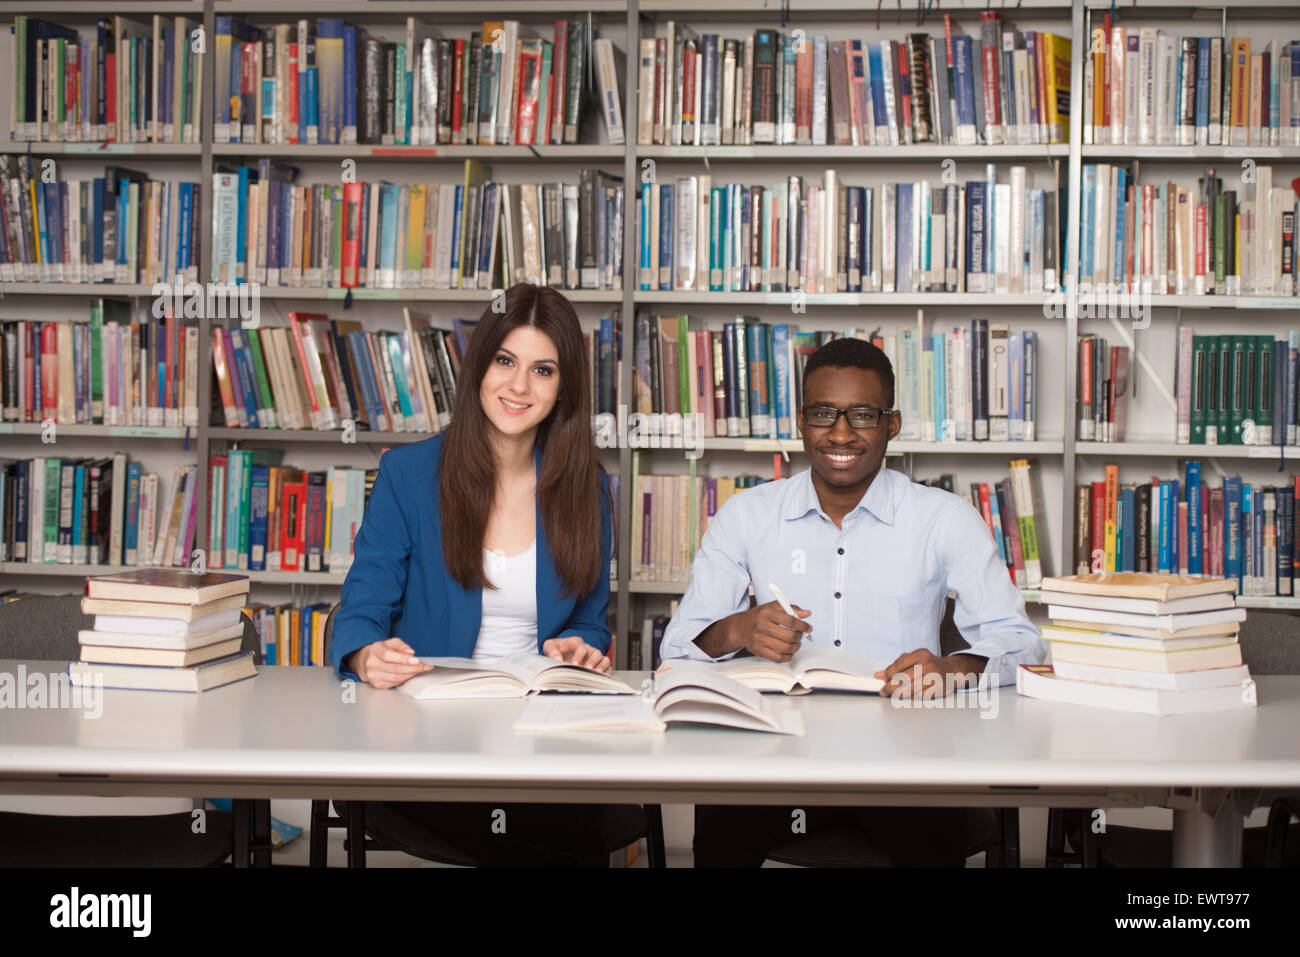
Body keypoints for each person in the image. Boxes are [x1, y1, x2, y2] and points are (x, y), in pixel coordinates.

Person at [659, 336, 1045, 867]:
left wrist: (949, 669)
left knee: (933, 834)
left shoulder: (943, 518)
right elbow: (676, 651)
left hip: (906, 763)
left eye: (862, 414)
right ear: (800, 421)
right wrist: (738, 630)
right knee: (723, 822)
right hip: (776, 758)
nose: (841, 433)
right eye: (824, 413)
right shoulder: (746, 515)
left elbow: (1024, 644)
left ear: (893, 424)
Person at [329, 283, 642, 866]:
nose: (518, 386)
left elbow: (589, 624)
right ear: (480, 367)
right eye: (505, 361)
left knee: (577, 816)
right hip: (429, 738)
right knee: (546, 838)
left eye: (542, 370)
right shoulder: (408, 474)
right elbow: (359, 611)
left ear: (563, 387)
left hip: (541, 733)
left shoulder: (589, 490)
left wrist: (583, 650)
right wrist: (365, 654)